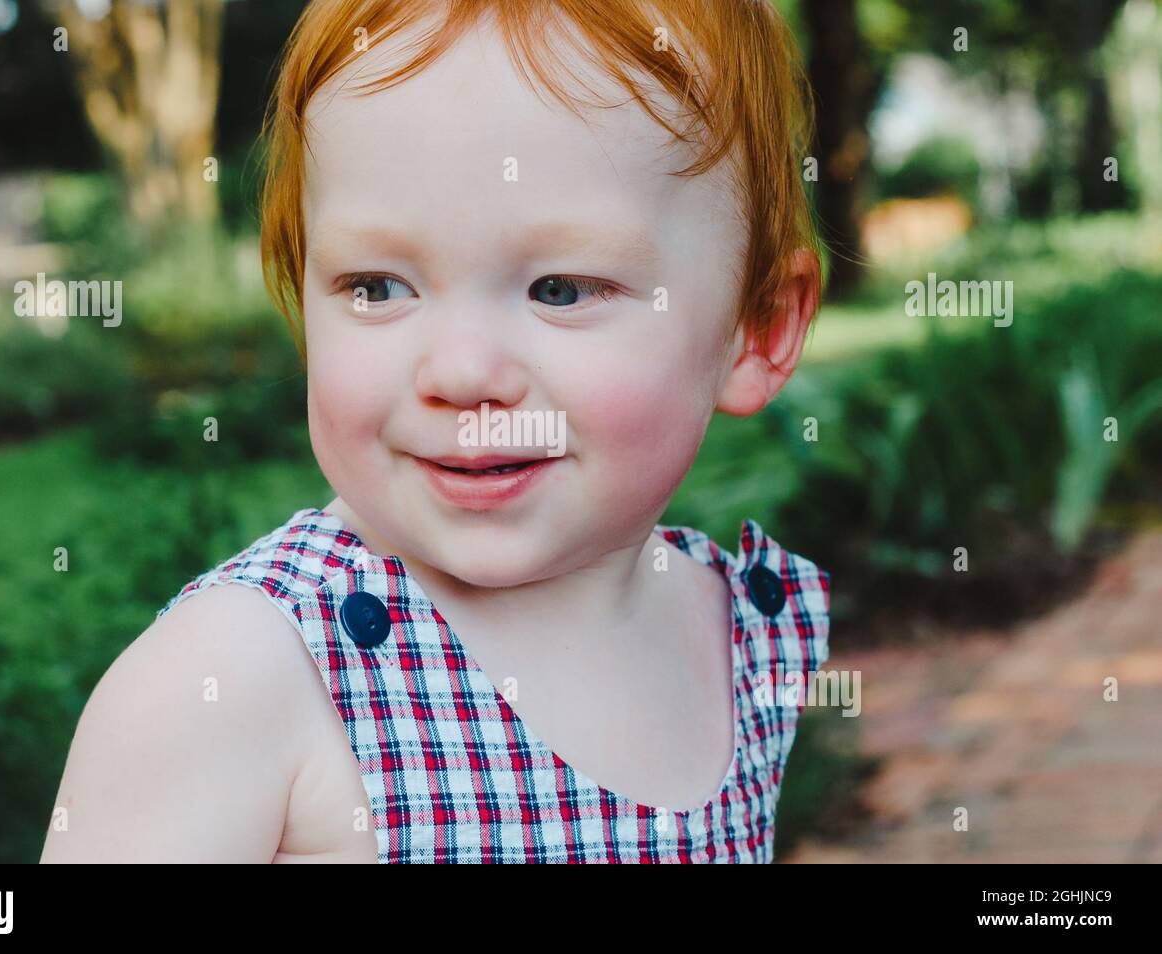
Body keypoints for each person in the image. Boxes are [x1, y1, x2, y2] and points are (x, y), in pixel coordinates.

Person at [42, 0, 830, 864]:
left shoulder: (727, 633)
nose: (459, 372)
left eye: (561, 290)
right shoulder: (235, 680)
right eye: (377, 287)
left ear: (758, 329)